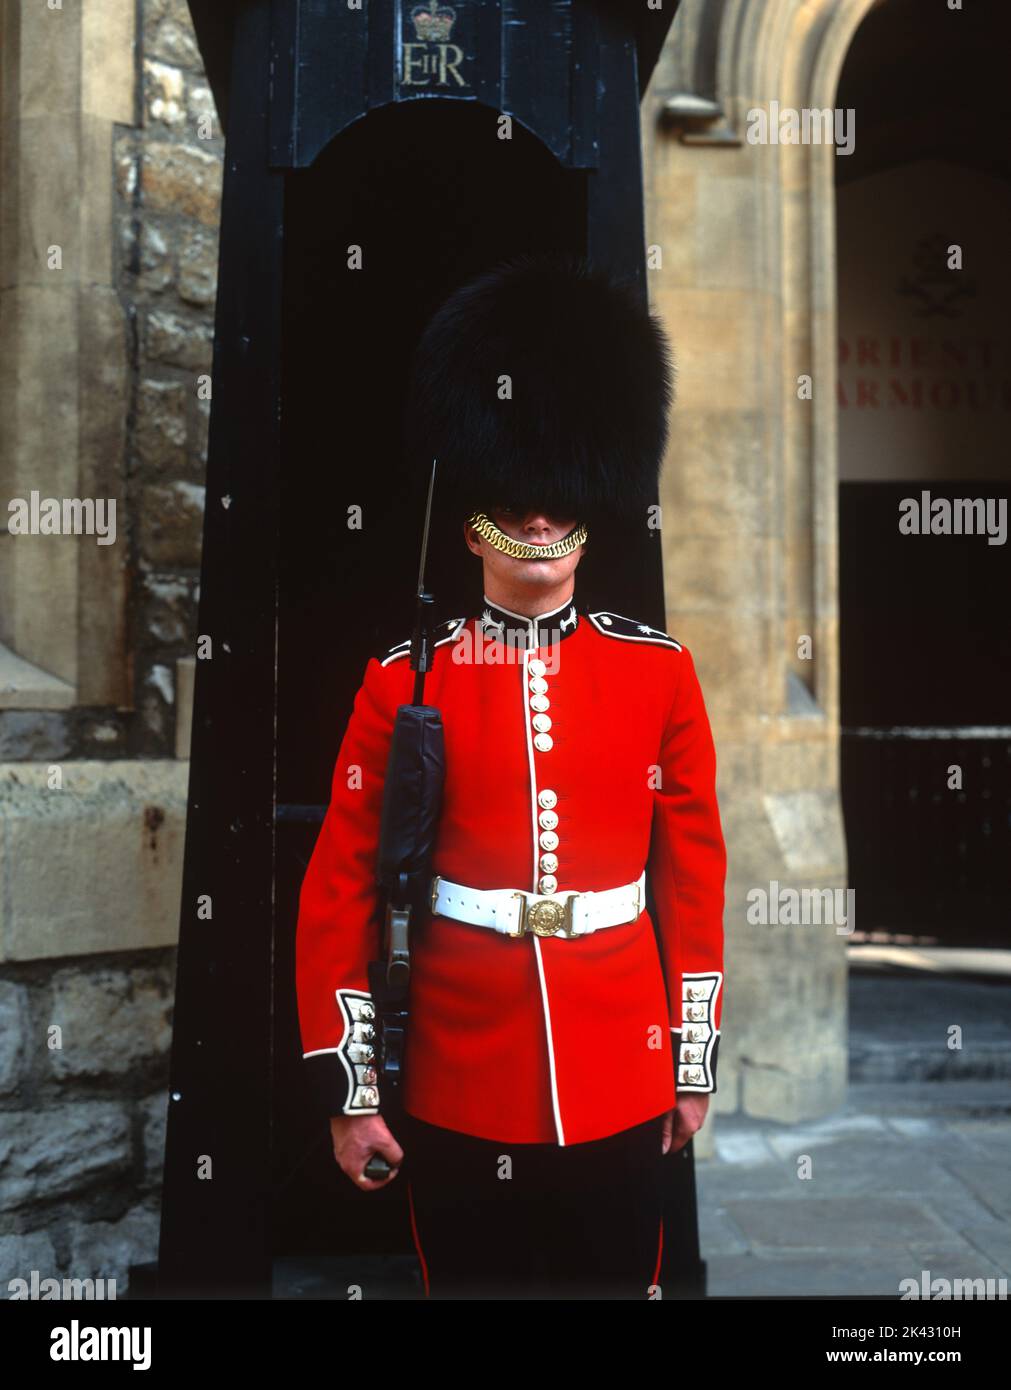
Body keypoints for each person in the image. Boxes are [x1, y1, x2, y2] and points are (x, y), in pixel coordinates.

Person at [294, 253, 727, 1299]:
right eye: (517, 497)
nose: (538, 518)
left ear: (592, 500)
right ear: (475, 509)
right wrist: (353, 1092)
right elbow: (340, 887)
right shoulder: (406, 678)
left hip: (621, 1068)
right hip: (458, 1075)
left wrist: (690, 1061)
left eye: (560, 498)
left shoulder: (657, 670)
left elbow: (694, 877)